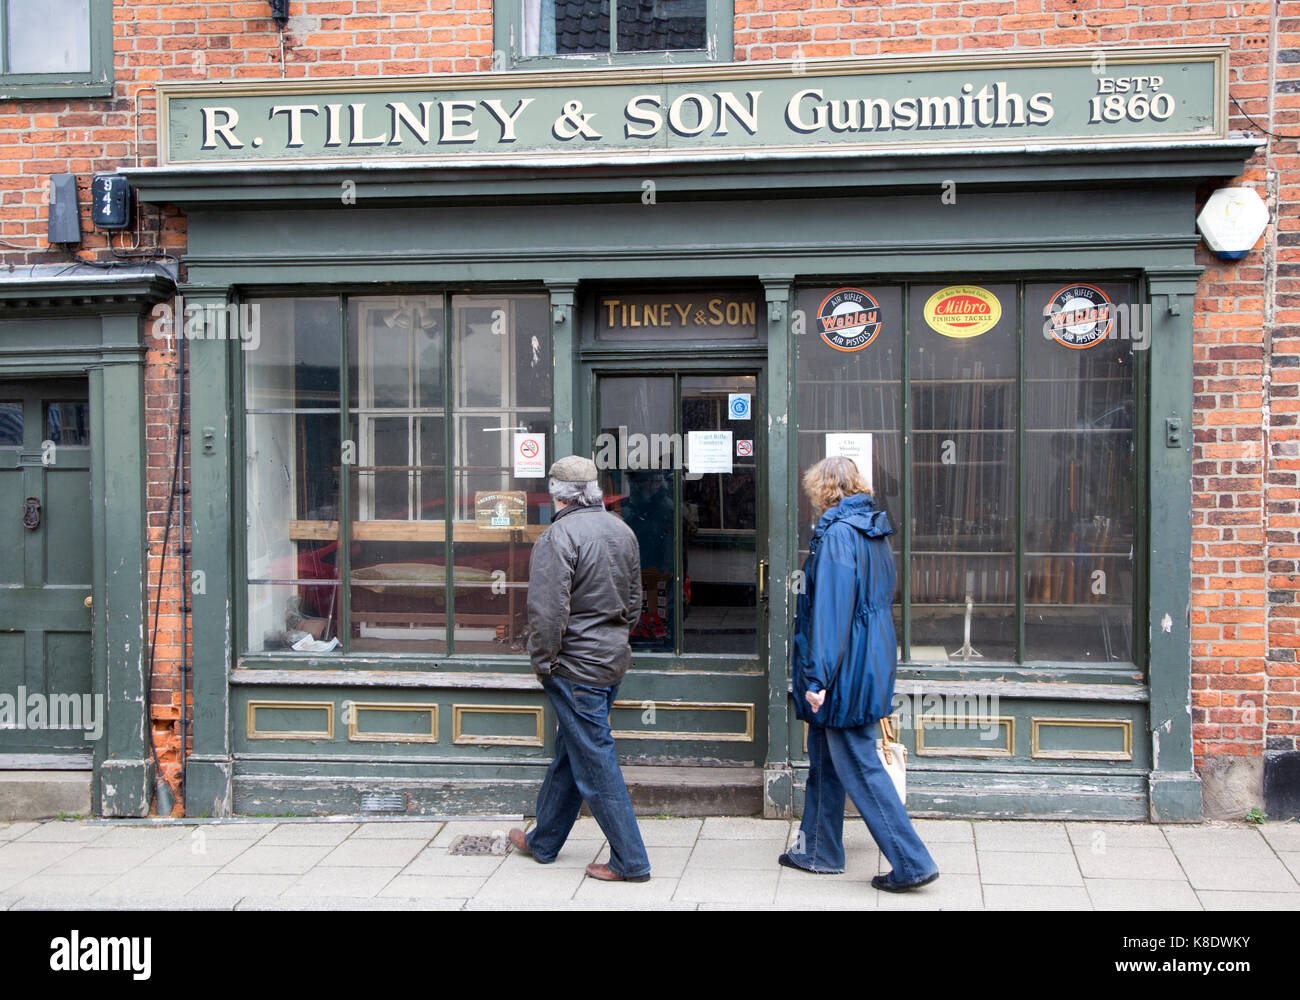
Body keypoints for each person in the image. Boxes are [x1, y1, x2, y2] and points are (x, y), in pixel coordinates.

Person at [780, 456, 940, 892]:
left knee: (861, 765)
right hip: (868, 662)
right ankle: (818, 851)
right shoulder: (873, 532)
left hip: (843, 672)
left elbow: (830, 618)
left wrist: (816, 681)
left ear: (824, 490)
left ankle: (912, 862)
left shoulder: (836, 538)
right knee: (825, 759)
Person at [509, 455, 652, 882]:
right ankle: (544, 842)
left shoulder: (558, 536)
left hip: (574, 668)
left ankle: (632, 861)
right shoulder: (622, 530)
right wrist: (613, 639)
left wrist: (544, 662)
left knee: (595, 763)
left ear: (556, 494)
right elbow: (635, 603)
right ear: (594, 491)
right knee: (574, 755)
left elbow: (547, 613)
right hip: (609, 662)